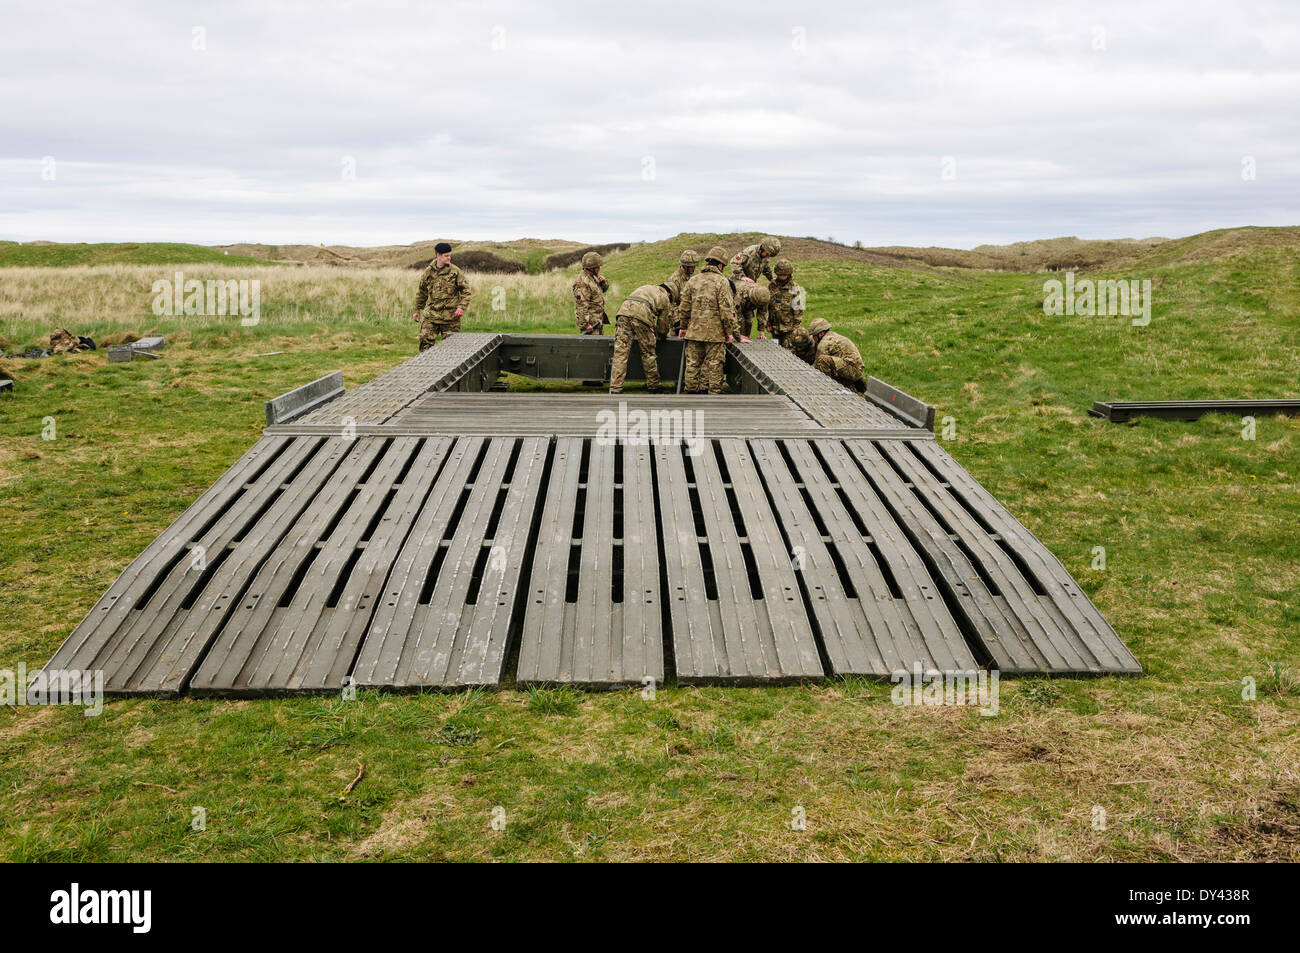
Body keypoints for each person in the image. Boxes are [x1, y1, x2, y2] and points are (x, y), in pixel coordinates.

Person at [677, 246, 737, 394]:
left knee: (692, 364)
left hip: (694, 331)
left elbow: (684, 307)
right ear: (721, 265)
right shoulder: (722, 282)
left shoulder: (693, 280)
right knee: (715, 364)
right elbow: (727, 310)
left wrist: (683, 327)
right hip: (715, 334)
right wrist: (730, 332)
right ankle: (714, 393)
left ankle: (690, 391)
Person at [610, 283, 676, 394]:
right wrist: (660, 335)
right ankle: (654, 386)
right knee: (648, 353)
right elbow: (663, 326)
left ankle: (615, 387)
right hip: (642, 316)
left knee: (620, 353)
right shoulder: (664, 297)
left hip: (623, 312)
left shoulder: (647, 288)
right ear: (669, 293)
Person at [412, 242, 471, 350]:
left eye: (450, 255)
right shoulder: (428, 272)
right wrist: (416, 310)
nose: (449, 258)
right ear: (438, 255)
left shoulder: (455, 272)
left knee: (452, 350)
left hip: (450, 317)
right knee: (425, 344)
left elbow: (466, 291)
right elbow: (422, 292)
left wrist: (461, 307)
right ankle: (426, 366)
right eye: (446, 256)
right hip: (431, 315)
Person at [807, 317, 866, 392]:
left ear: (821, 333)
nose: (813, 339)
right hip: (855, 368)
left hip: (853, 370)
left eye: (814, 336)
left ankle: (826, 389)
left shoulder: (824, 343)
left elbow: (817, 366)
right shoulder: (832, 336)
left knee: (822, 360)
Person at [766, 257, 805, 348]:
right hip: (775, 327)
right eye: (779, 274)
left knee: (787, 352)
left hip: (789, 329)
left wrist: (795, 328)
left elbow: (798, 310)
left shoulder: (795, 288)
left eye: (784, 275)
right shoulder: (772, 286)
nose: (781, 277)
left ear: (789, 274)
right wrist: (767, 324)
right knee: (775, 351)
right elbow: (767, 306)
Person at [663, 249, 700, 335]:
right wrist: (677, 322)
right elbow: (670, 304)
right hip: (679, 322)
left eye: (695, 266)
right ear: (684, 266)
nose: (694, 269)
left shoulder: (694, 277)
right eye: (691, 267)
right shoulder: (674, 280)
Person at [573, 251, 610, 334]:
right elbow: (581, 305)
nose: (599, 269)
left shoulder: (593, 277)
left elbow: (601, 291)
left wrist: (603, 282)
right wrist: (585, 325)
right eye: (597, 267)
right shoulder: (582, 283)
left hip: (597, 322)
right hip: (591, 326)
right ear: (590, 268)